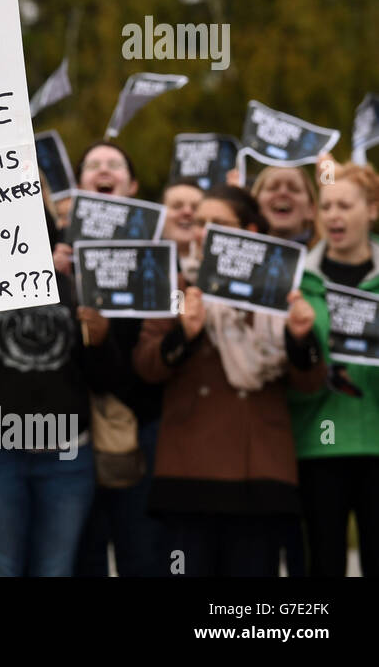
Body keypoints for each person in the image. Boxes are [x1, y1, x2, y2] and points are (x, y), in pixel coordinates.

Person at [134, 184, 325, 576]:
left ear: (250, 232)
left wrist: (301, 337)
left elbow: (310, 382)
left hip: (258, 474)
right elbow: (147, 366)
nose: (203, 232)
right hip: (189, 476)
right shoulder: (177, 287)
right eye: (201, 223)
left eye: (217, 224)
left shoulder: (281, 292)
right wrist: (183, 335)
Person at [0, 204, 117, 576]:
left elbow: (103, 379)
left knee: (55, 569)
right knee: (1, 568)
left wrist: (101, 341)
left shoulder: (78, 292)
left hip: (67, 454)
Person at [66, 143, 167, 577]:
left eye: (114, 165)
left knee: (140, 553)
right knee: (83, 556)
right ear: (79, 185)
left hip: (140, 425)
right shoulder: (49, 252)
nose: (103, 171)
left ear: (133, 185)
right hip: (71, 434)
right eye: (93, 166)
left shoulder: (158, 256)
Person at [291, 162, 379, 576]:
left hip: (376, 446)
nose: (334, 216)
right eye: (326, 206)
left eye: (345, 205)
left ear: (373, 209)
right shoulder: (298, 279)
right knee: (324, 564)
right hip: (318, 446)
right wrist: (299, 340)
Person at [250, 166, 319, 246]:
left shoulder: (328, 254)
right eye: (273, 188)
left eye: (294, 189)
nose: (283, 192)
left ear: (311, 209)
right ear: (255, 202)